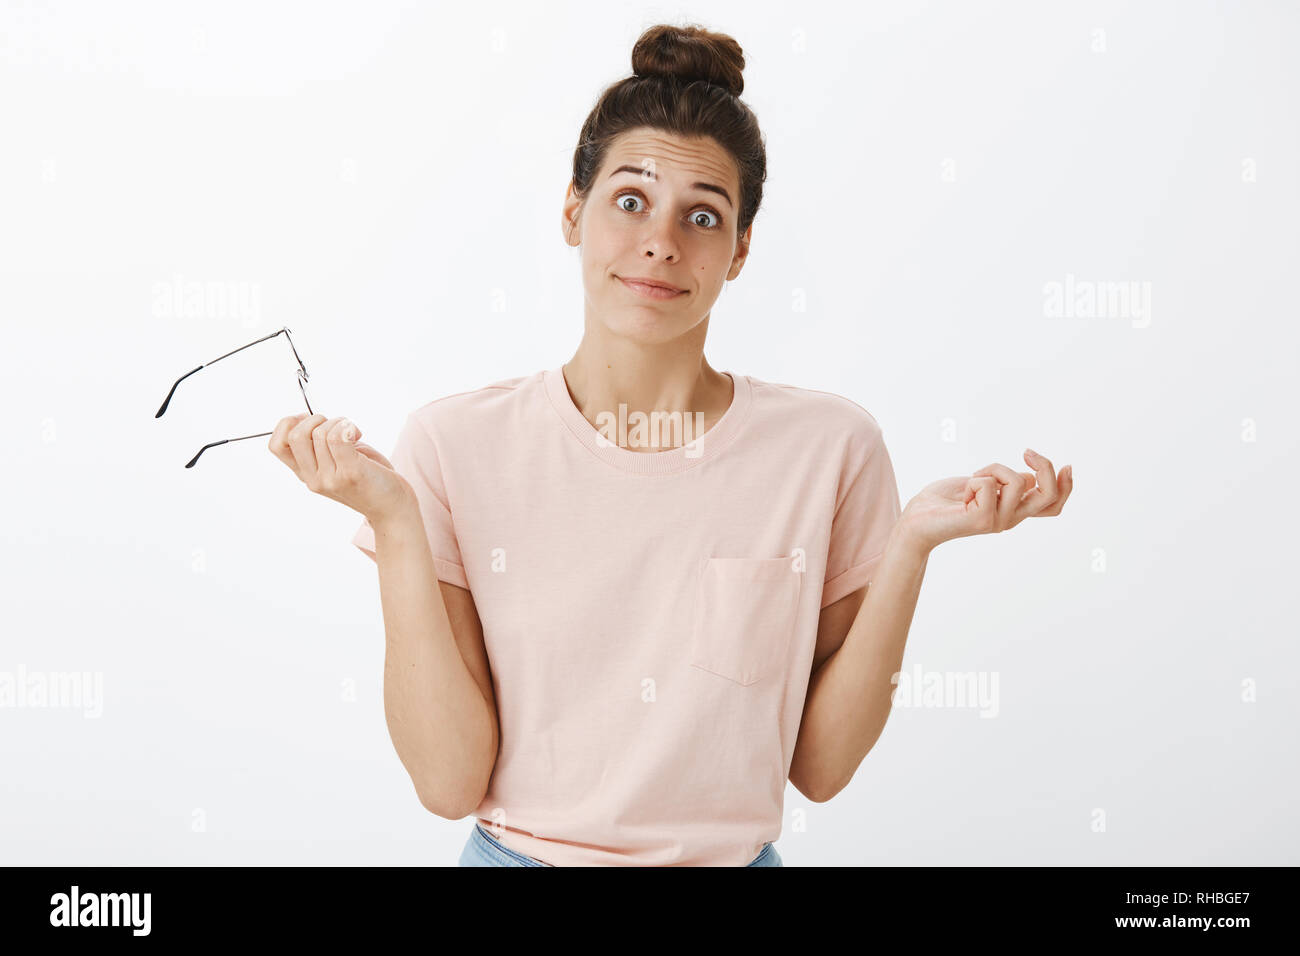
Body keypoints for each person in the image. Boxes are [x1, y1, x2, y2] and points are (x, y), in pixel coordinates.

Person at [267, 23, 1073, 867]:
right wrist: (396, 525)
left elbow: (822, 770)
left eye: (702, 215)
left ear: (741, 250)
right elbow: (447, 784)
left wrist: (911, 545)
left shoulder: (829, 449)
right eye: (629, 200)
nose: (662, 241)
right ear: (573, 212)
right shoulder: (455, 443)